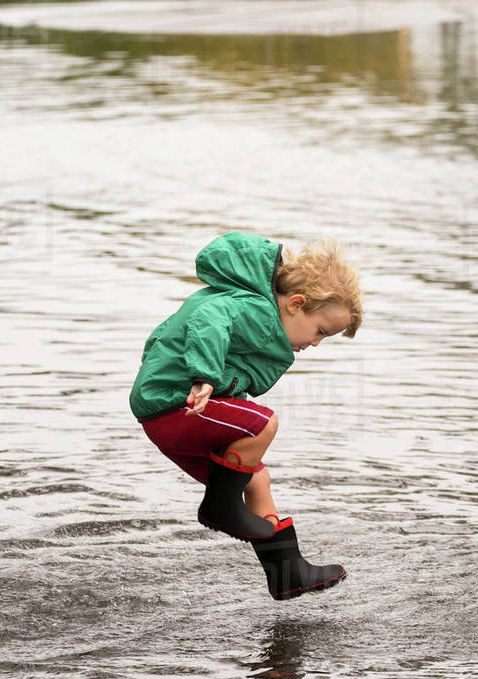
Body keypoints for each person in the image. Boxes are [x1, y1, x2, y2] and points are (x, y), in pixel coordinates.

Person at [129, 232, 362, 600]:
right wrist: (203, 375)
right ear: (296, 304)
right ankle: (220, 507)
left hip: (170, 409)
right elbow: (207, 318)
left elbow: (171, 334)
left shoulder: (256, 311)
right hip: (173, 405)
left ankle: (286, 571)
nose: (316, 343)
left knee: (257, 479)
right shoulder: (257, 309)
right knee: (262, 423)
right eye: (320, 331)